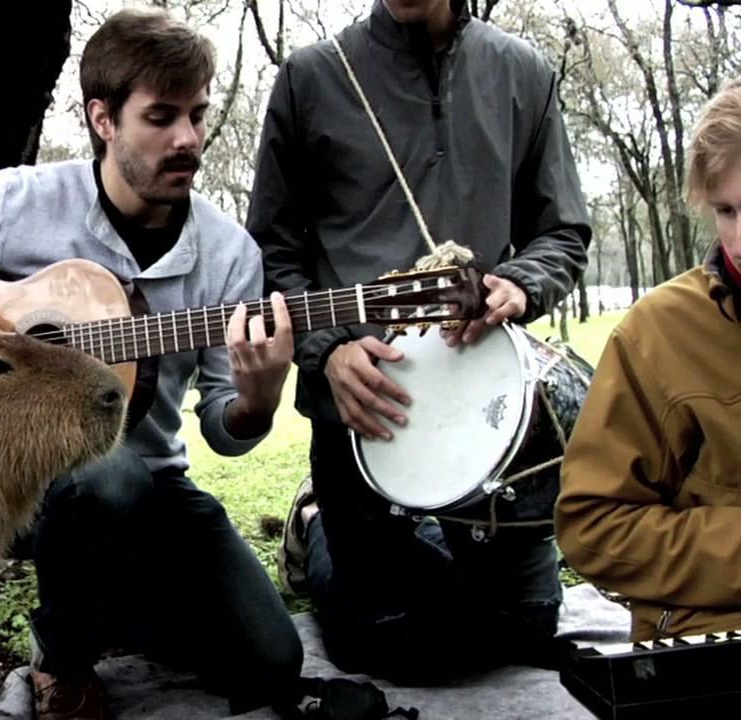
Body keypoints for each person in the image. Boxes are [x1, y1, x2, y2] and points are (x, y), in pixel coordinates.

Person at [0, 8, 303, 718]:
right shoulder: (20, 203)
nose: (188, 138)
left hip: (155, 485)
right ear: (103, 119)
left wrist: (256, 402)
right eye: (161, 117)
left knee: (272, 661)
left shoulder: (230, 254)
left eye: (198, 115)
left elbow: (220, 427)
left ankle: (115, 598)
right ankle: (63, 656)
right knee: (108, 478)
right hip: (9, 478)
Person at [246, 0, 592, 684]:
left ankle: (402, 549)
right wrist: (328, 351)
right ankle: (320, 519)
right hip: (363, 411)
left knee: (526, 627)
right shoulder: (309, 77)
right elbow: (271, 250)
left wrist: (522, 282)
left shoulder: (523, 71)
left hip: (489, 410)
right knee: (392, 644)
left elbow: (562, 230)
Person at [555, 78, 741, 642]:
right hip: (716, 635)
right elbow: (593, 527)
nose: (739, 240)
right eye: (727, 210)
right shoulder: (658, 332)